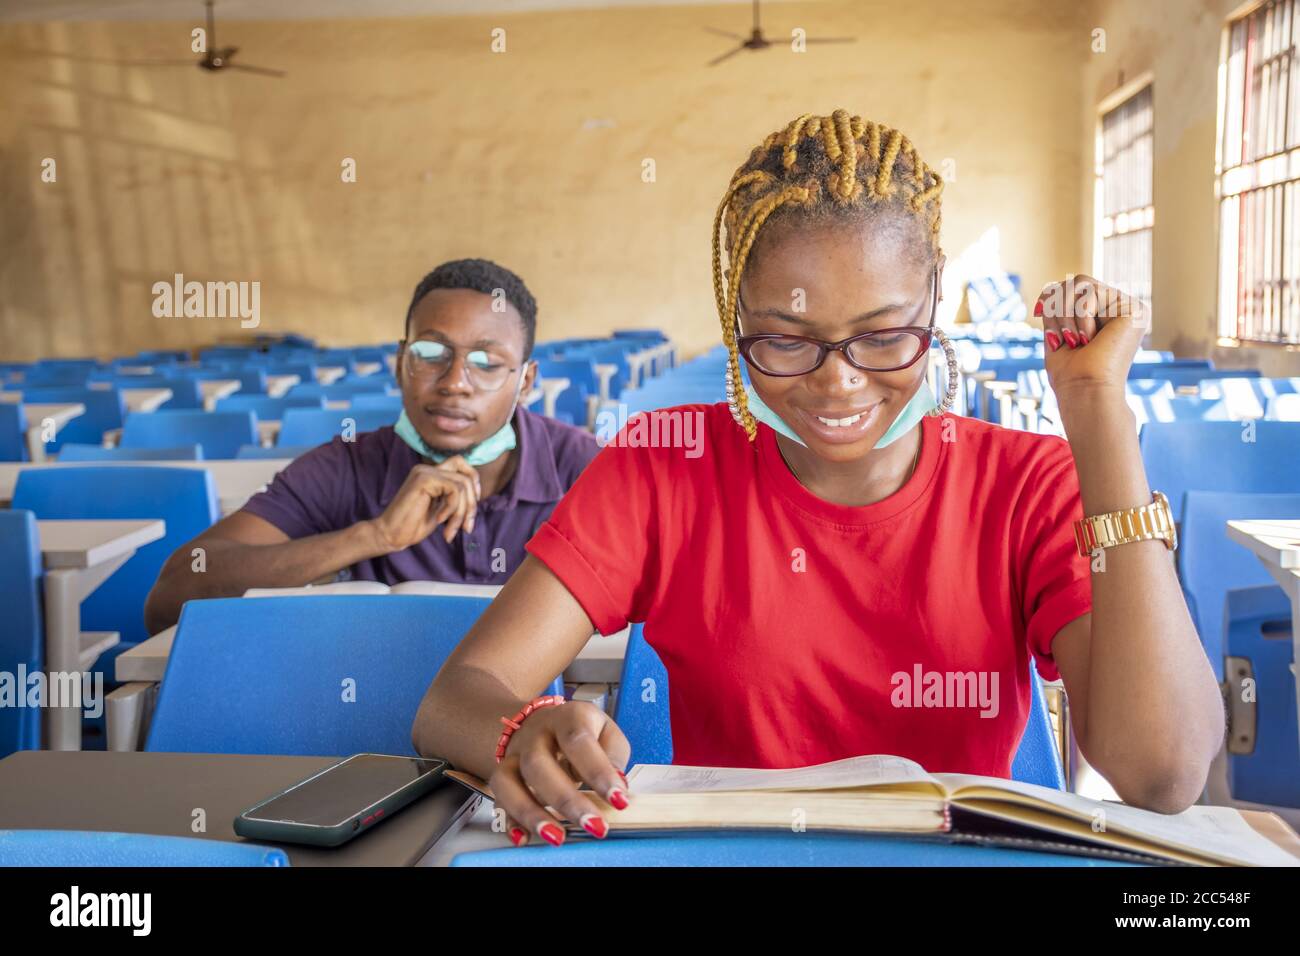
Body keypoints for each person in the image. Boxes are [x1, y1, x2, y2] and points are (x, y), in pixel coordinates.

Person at [411, 110, 1223, 848]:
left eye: (882, 335)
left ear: (935, 298)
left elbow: (1161, 772)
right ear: (737, 319)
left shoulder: (1027, 484)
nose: (838, 384)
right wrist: (525, 727)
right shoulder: (662, 469)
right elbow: (456, 698)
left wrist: (1096, 410)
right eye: (787, 339)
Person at [144, 259, 599, 633]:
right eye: (430, 354)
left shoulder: (585, 469)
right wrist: (373, 536)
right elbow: (171, 597)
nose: (455, 383)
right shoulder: (347, 466)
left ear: (526, 382)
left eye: (487, 363)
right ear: (401, 362)